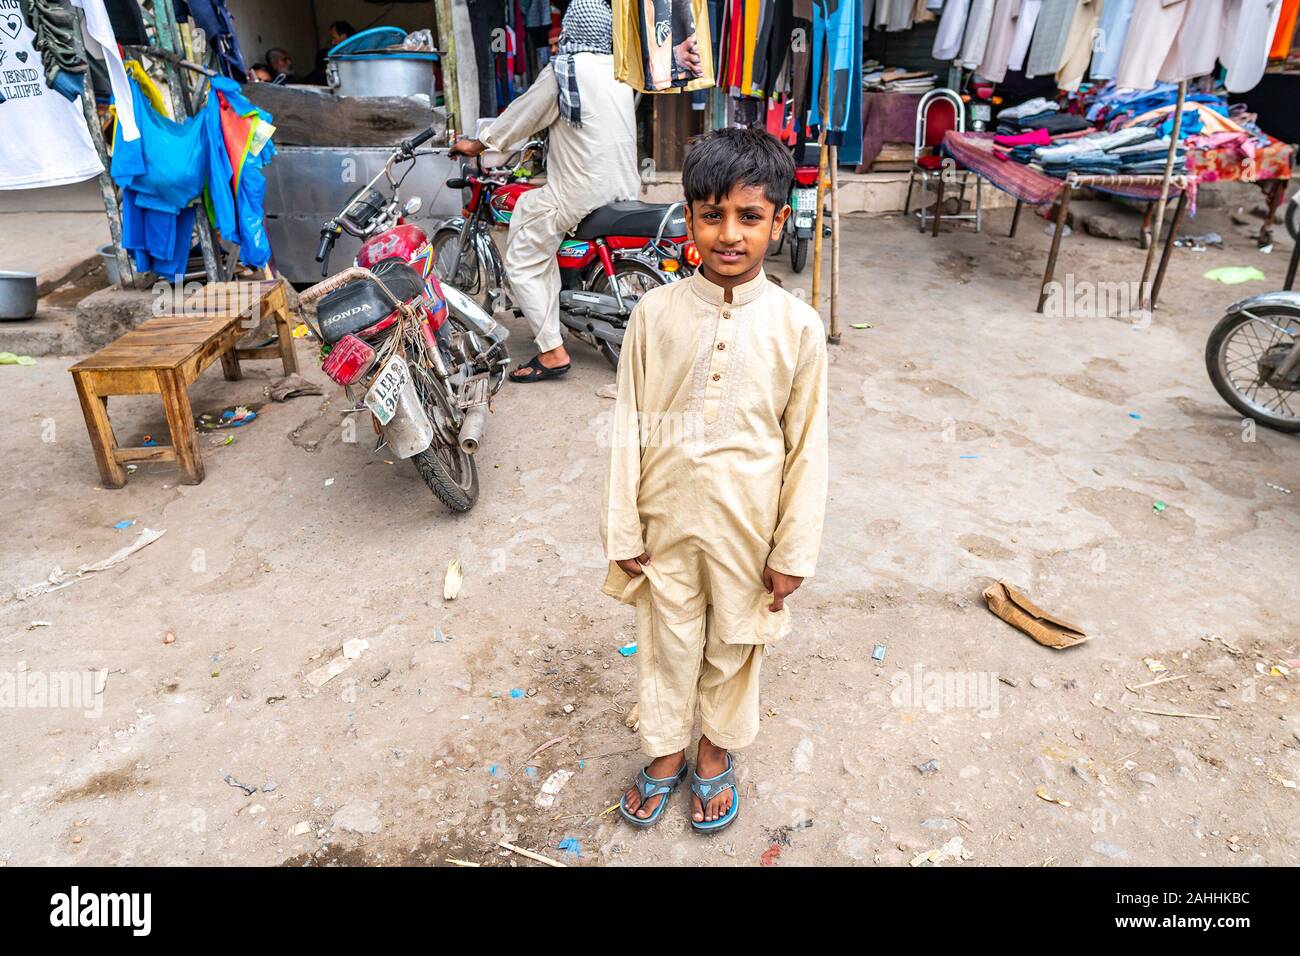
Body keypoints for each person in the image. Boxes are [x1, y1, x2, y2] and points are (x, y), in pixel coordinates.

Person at [602, 127, 829, 831]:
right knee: (667, 642)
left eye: (750, 216)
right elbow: (629, 426)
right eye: (711, 215)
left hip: (748, 529)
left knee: (734, 646)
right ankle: (665, 751)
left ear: (778, 222)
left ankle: (711, 750)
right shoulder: (654, 314)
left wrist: (792, 552)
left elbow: (807, 449)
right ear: (690, 219)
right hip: (665, 523)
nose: (729, 234)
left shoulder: (798, 327)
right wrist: (622, 526)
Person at [448, 0, 643, 383]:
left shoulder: (564, 71)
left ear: (573, 29)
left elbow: (522, 117)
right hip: (622, 186)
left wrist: (479, 143)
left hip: (582, 191)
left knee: (522, 256)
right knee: (542, 221)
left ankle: (552, 351)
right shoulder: (620, 72)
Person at [308, 20, 356, 85]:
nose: (333, 42)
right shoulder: (327, 54)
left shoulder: (356, 56)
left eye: (334, 38)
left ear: (343, 37)